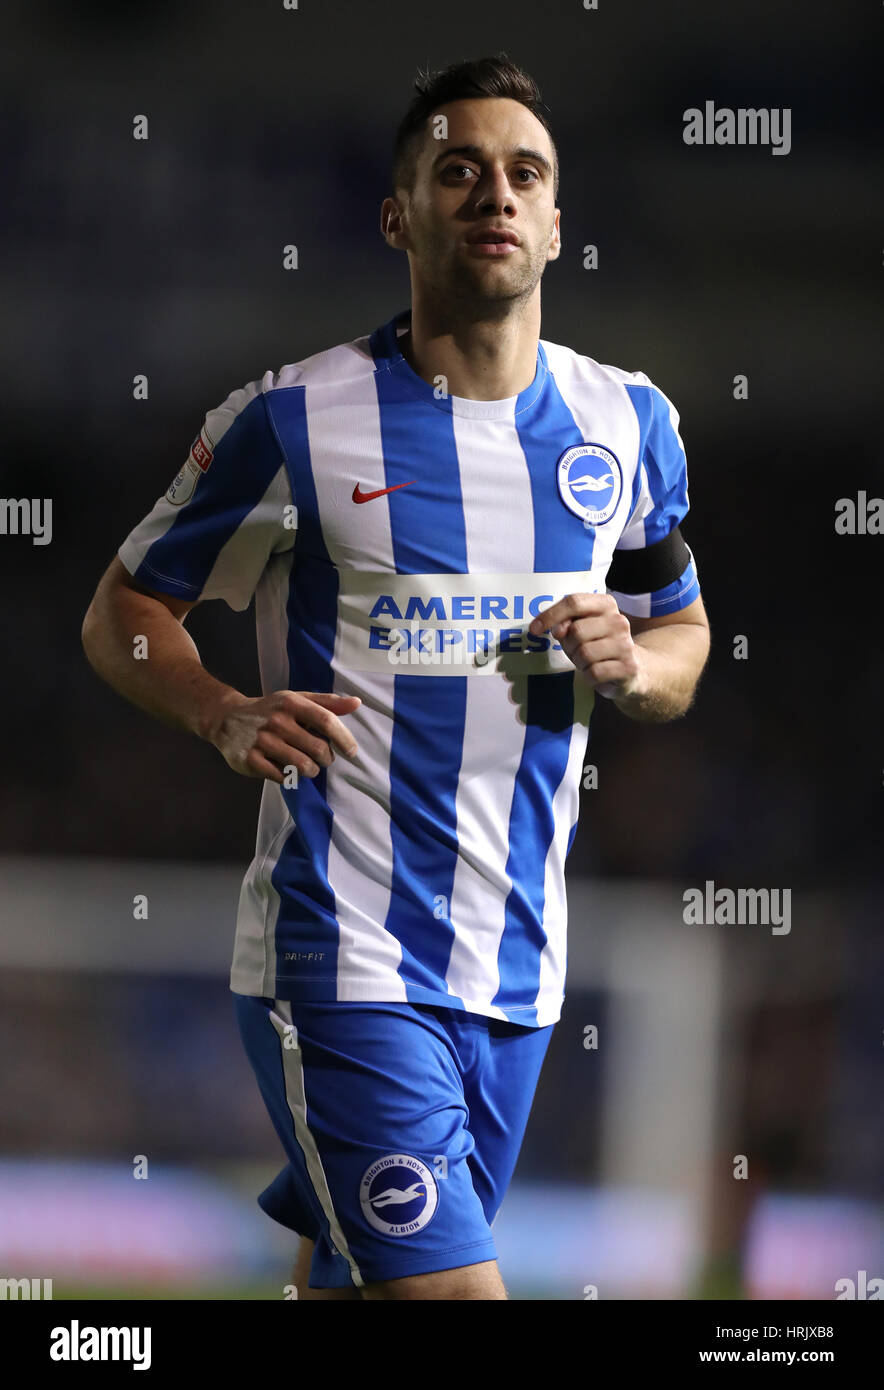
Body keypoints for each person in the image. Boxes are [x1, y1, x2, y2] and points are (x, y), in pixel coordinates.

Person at [82, 53, 710, 1301]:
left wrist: (634, 664)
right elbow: (124, 610)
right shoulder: (295, 424)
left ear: (554, 225)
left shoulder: (626, 425)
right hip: (345, 957)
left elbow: (681, 639)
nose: (494, 194)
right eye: (458, 171)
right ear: (398, 215)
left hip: (517, 976)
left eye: (522, 175)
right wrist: (218, 709)